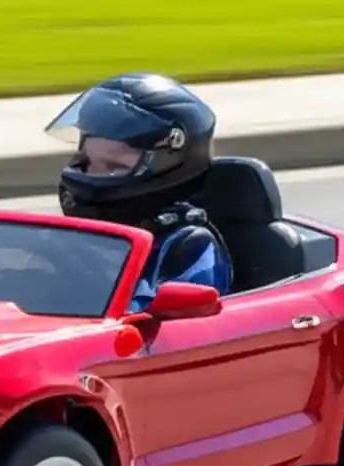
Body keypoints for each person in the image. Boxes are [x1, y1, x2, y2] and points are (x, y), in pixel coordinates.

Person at [44, 73, 232, 312]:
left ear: (165, 167)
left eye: (114, 168)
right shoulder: (81, 238)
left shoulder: (187, 245)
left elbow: (157, 322)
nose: (93, 175)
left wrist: (88, 277)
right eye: (87, 163)